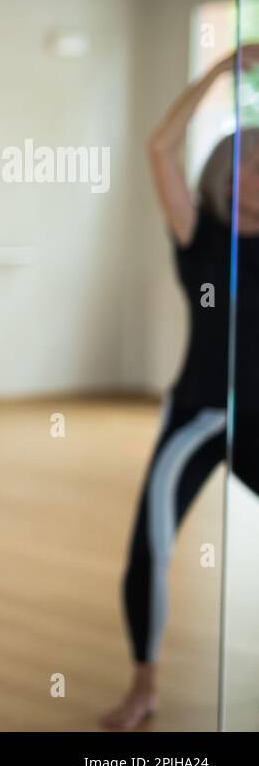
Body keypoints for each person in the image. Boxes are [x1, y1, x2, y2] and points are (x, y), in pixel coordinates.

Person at [102, 46, 259, 730]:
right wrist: (221, 69)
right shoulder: (201, 234)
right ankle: (144, 686)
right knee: (149, 550)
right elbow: (159, 148)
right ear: (227, 175)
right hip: (196, 413)